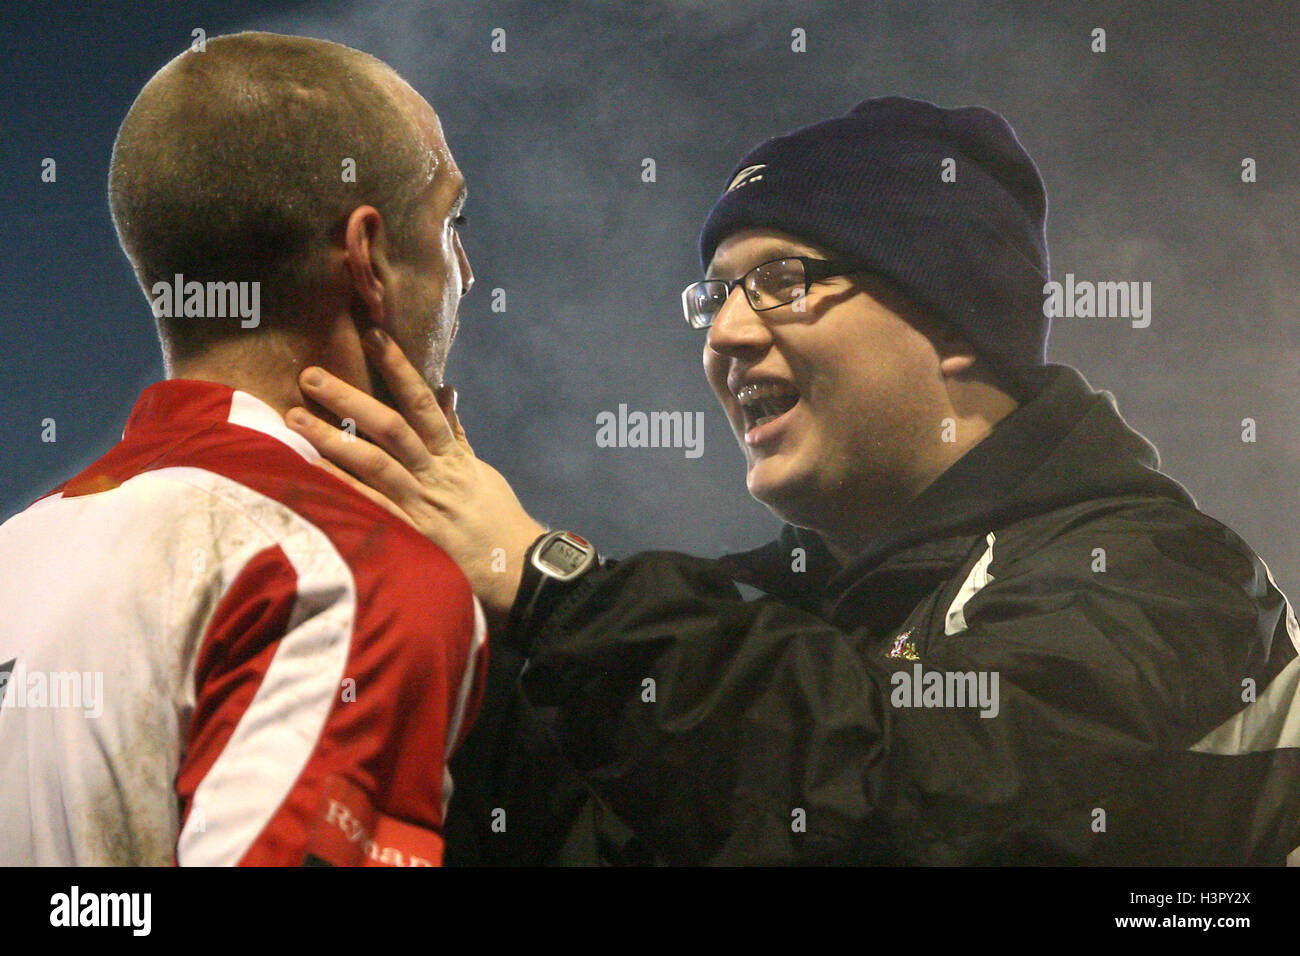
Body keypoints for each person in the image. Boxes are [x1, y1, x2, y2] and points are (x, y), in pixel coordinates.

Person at [284, 97, 1300, 864]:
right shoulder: (777, 608)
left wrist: (548, 582)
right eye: (714, 294)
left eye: (783, 281)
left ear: (954, 320)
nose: (726, 331)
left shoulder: (1157, 572)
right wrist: (455, 635)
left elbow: (931, 808)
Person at [0, 32, 486, 866]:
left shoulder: (18, 546)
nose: (468, 273)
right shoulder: (339, 572)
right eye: (451, 224)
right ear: (367, 259)